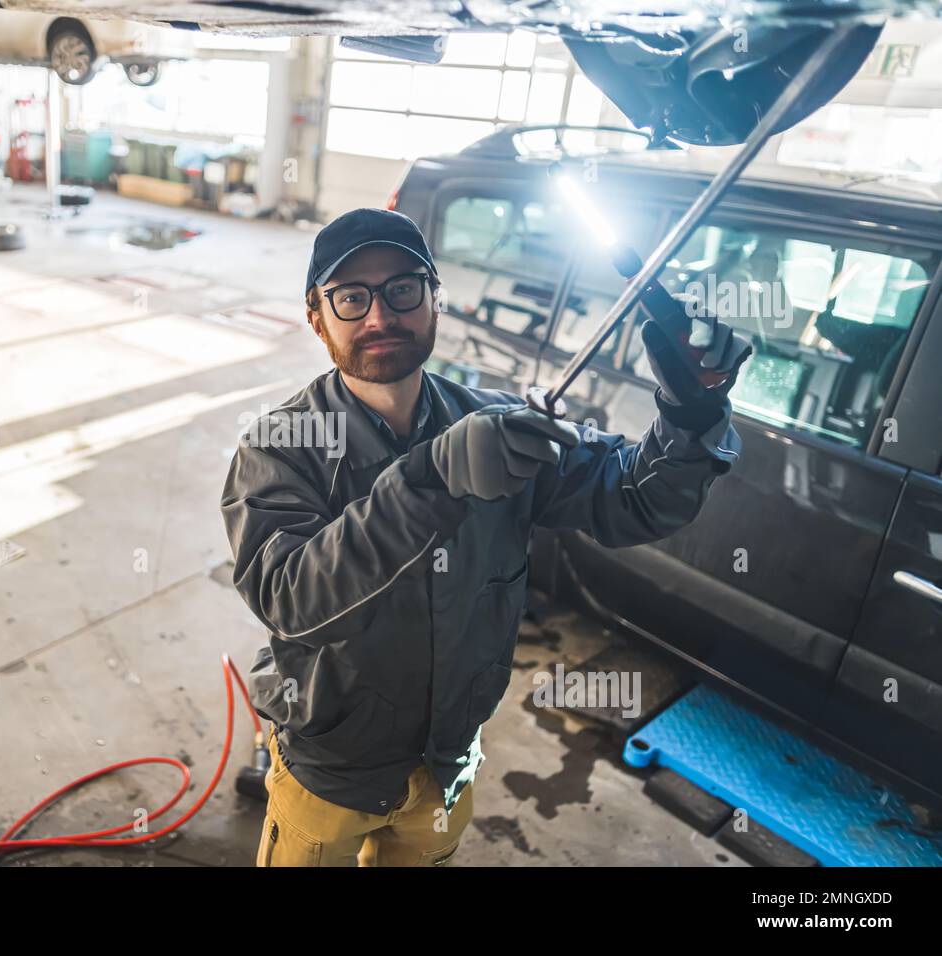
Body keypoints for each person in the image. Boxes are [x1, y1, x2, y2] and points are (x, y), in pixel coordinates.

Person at [220, 208, 751, 867]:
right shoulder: (280, 448)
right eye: (351, 297)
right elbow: (290, 598)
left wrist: (689, 414)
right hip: (332, 765)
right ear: (316, 315)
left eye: (403, 290)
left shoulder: (502, 429)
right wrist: (431, 480)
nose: (380, 317)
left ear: (435, 301)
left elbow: (636, 502)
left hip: (449, 759)